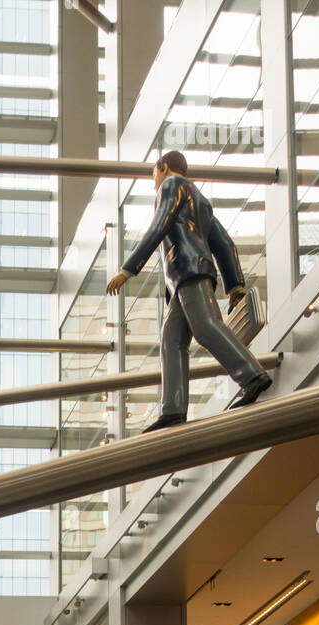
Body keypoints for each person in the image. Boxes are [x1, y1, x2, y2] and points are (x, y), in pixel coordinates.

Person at [106, 150, 272, 431]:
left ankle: (252, 375)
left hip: (188, 270)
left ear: (164, 167)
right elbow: (223, 242)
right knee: (171, 341)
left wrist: (128, 269)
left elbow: (159, 225)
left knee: (206, 326)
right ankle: (173, 408)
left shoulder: (172, 186)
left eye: (154, 175)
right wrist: (235, 284)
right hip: (185, 277)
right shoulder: (201, 201)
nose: (154, 182)